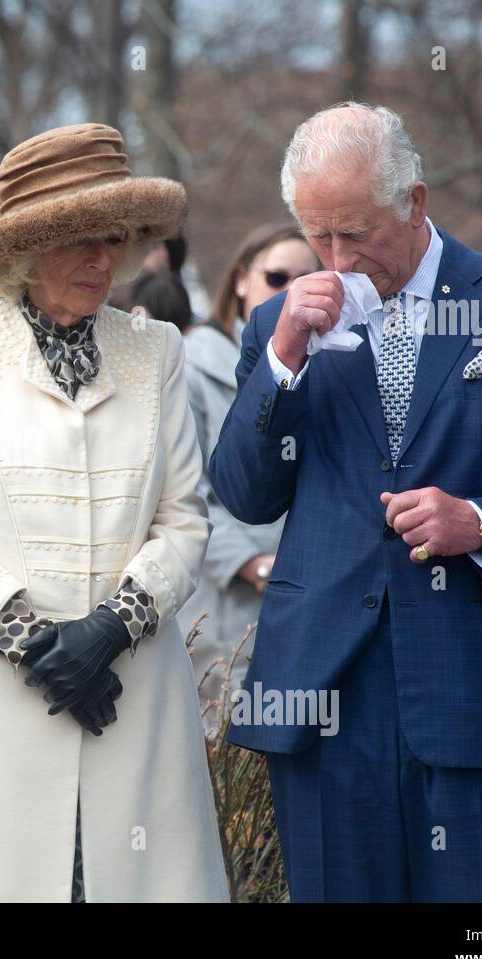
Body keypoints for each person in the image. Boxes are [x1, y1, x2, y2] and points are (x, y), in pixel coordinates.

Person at [209, 102, 482, 901]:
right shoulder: (277, 323)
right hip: (322, 696)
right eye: (318, 234)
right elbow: (243, 493)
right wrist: (283, 361)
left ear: (416, 203)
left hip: (480, 692)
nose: (337, 258)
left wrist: (480, 522)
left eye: (357, 232)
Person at [0, 123, 229, 902]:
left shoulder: (157, 349)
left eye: (115, 239)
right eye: (79, 240)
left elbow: (186, 518)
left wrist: (108, 629)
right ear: (24, 252)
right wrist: (36, 642)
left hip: (129, 693)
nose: (103, 260)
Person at [180, 224, 318, 735]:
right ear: (241, 280)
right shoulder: (189, 363)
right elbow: (182, 492)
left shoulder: (330, 360)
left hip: (307, 601)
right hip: (222, 605)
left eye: (308, 279)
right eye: (277, 277)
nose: (291, 293)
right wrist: (253, 565)